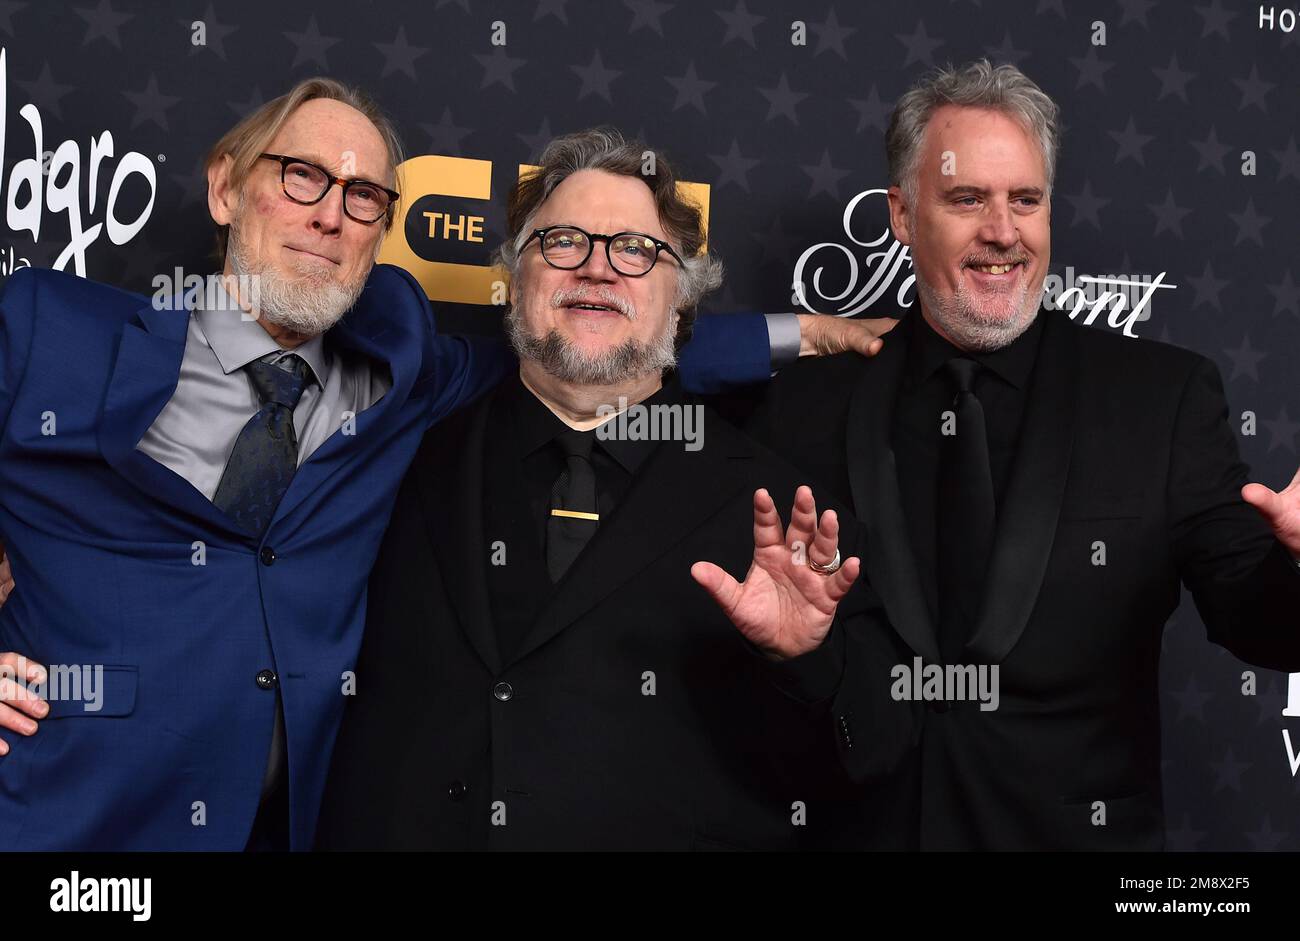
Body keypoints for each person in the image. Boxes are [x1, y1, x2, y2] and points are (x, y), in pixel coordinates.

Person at [0, 81, 888, 850]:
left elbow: (588, 342)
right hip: (58, 832)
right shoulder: (50, 329)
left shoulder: (404, 373)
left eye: (363, 196)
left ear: (383, 232)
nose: (328, 213)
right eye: (301, 174)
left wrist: (797, 332)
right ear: (226, 187)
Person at [749, 60, 1300, 851]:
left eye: (1027, 200)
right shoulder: (800, 407)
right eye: (967, 198)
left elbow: (1261, 620)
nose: (1003, 231)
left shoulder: (1160, 397)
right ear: (903, 215)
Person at [315, 129, 883, 850]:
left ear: (682, 303)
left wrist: (804, 658)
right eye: (562, 242)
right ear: (512, 278)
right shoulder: (399, 447)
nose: (597, 269)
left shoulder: (784, 513)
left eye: (635, 251)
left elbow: (870, 762)